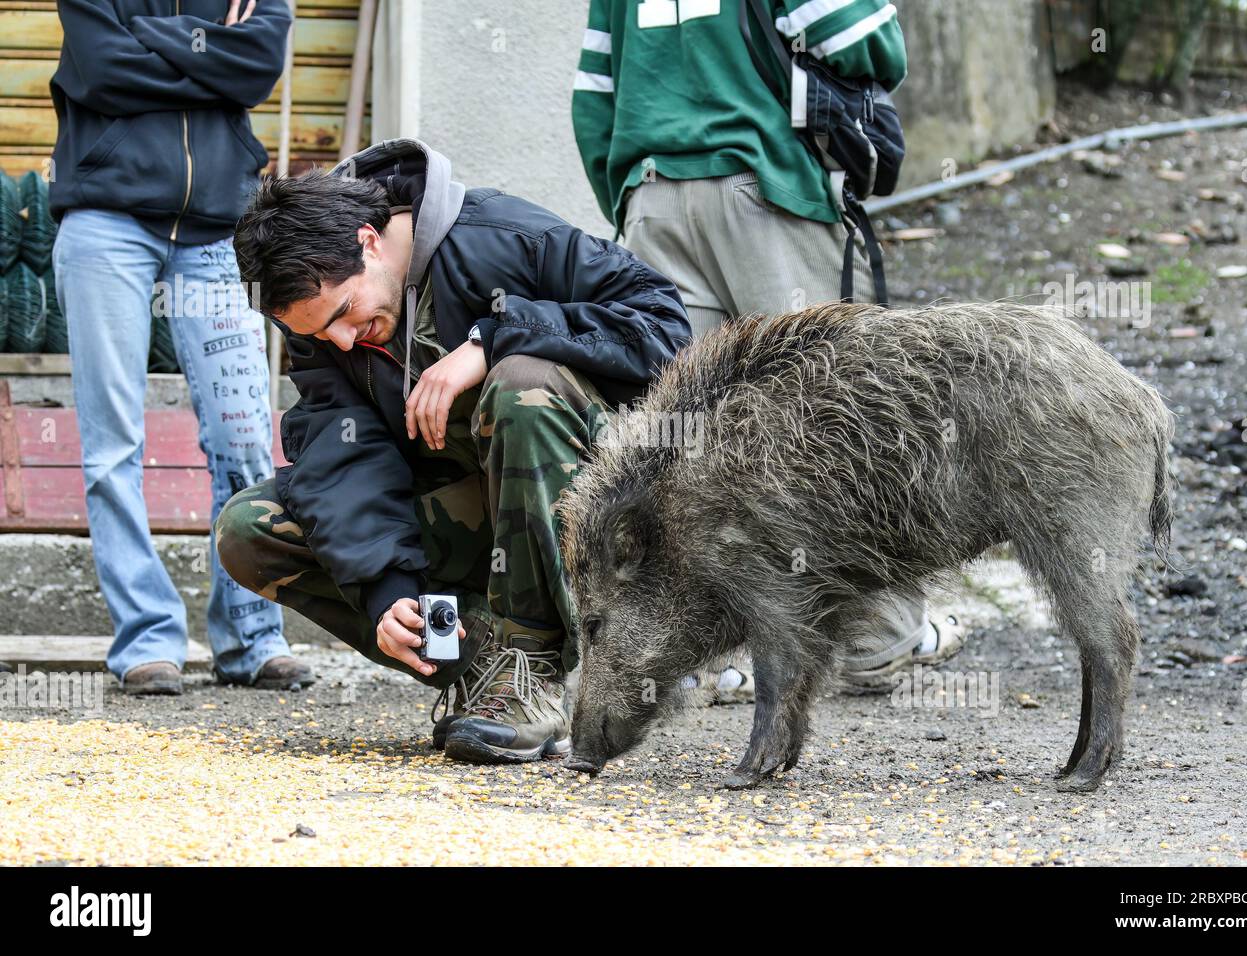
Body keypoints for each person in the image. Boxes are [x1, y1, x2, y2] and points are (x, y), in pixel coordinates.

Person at [217, 139, 691, 764]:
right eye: (318, 333)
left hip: (598, 518)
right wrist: (386, 586)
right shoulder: (324, 314)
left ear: (367, 239)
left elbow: (664, 327)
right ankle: (487, 670)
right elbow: (338, 453)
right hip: (473, 521)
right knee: (248, 530)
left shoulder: (505, 235)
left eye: (343, 312)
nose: (340, 339)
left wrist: (494, 340)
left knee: (524, 385)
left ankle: (536, 662)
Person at [571, 0, 964, 697]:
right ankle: (878, 643)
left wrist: (631, 197)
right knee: (839, 424)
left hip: (654, 197)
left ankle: (692, 659)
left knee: (680, 448)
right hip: (765, 188)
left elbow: (594, 99)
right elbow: (866, 39)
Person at [49, 0, 312, 694]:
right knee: (113, 445)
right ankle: (147, 638)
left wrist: (155, 39)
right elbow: (102, 70)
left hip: (218, 230)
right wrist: (207, 53)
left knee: (246, 434)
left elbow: (255, 68)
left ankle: (252, 637)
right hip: (106, 223)